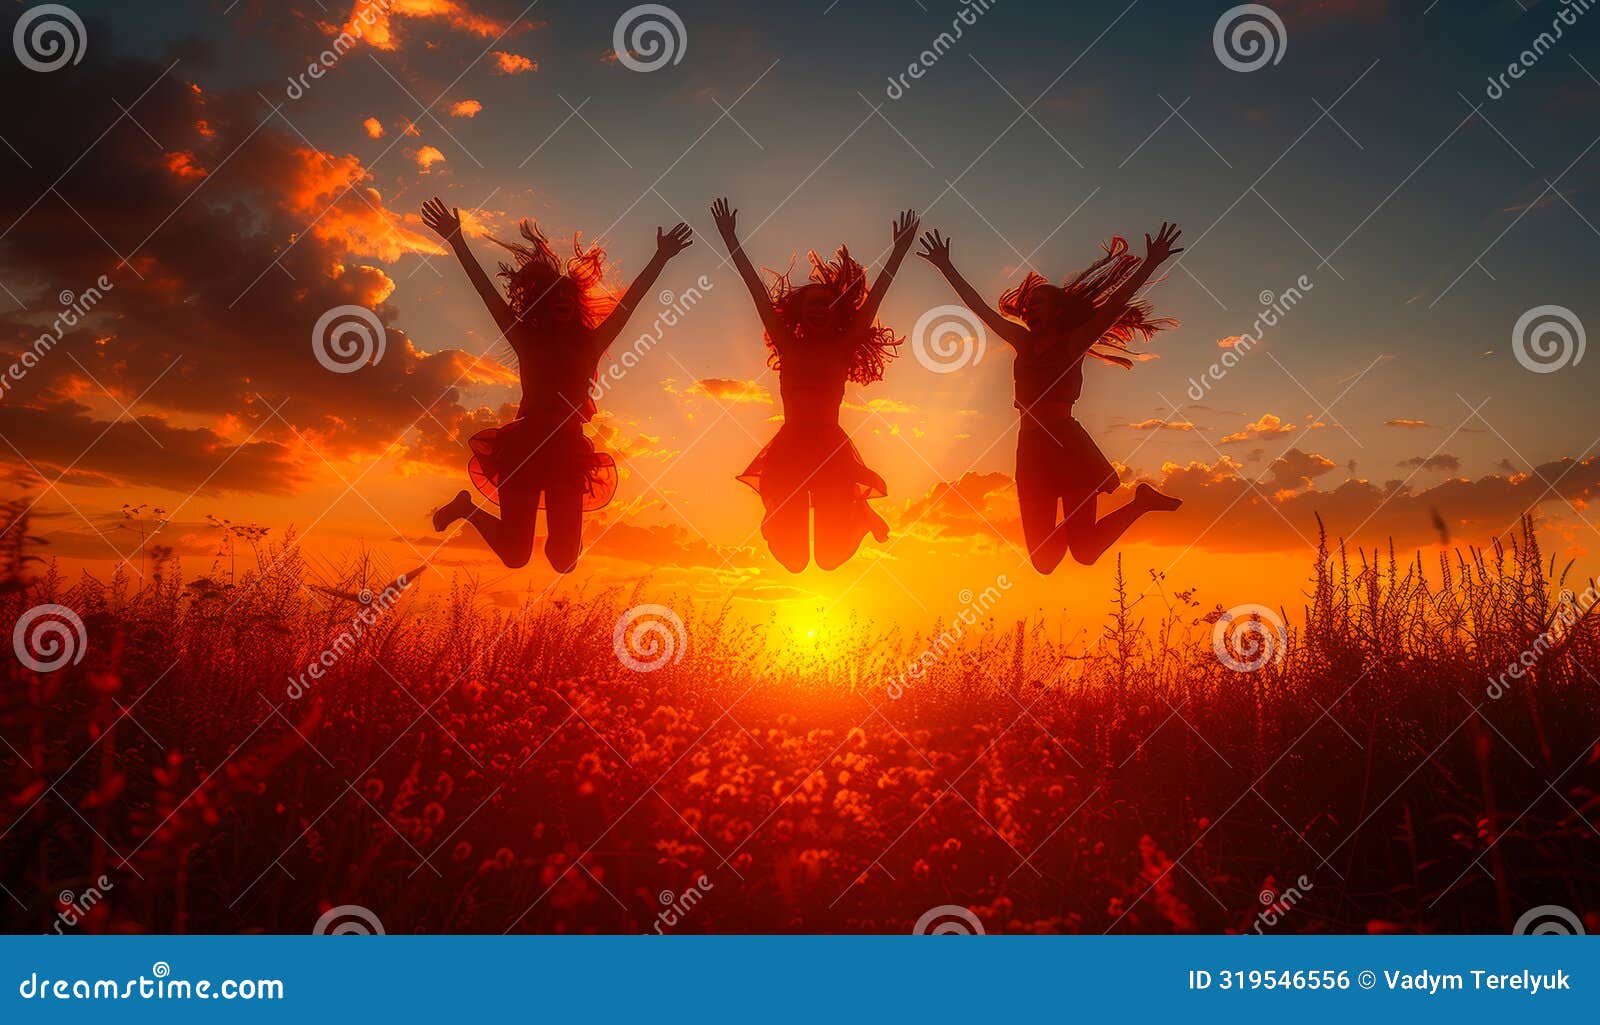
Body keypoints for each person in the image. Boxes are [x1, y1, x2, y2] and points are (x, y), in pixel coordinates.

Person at [422, 197, 693, 571]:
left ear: (576, 304)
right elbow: (489, 296)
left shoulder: (591, 344)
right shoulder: (526, 340)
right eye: (557, 296)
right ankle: (467, 510)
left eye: (570, 296)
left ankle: (558, 529)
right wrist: (457, 241)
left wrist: (660, 258)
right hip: (524, 447)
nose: (564, 300)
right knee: (516, 555)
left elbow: (628, 305)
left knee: (564, 560)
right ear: (545, 303)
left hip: (567, 450)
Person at [918, 224, 1186, 571]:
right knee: (1043, 561)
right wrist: (946, 266)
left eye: (1038, 302)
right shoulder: (1022, 342)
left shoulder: (1073, 343)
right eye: (1028, 303)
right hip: (1030, 450)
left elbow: (1115, 304)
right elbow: (980, 309)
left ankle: (1140, 504)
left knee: (1085, 551)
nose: (1029, 307)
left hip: (1067, 444)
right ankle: (1122, 510)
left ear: (1058, 310)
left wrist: (1150, 263)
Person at [711, 197, 917, 572]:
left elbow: (875, 301)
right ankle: (782, 520)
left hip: (830, 449)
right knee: (794, 561)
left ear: (835, 311)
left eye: (826, 303)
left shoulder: (842, 347)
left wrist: (898, 251)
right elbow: (756, 292)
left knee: (827, 559)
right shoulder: (788, 345)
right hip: (790, 448)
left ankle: (858, 513)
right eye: (813, 305)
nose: (819, 309)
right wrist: (731, 240)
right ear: (801, 314)